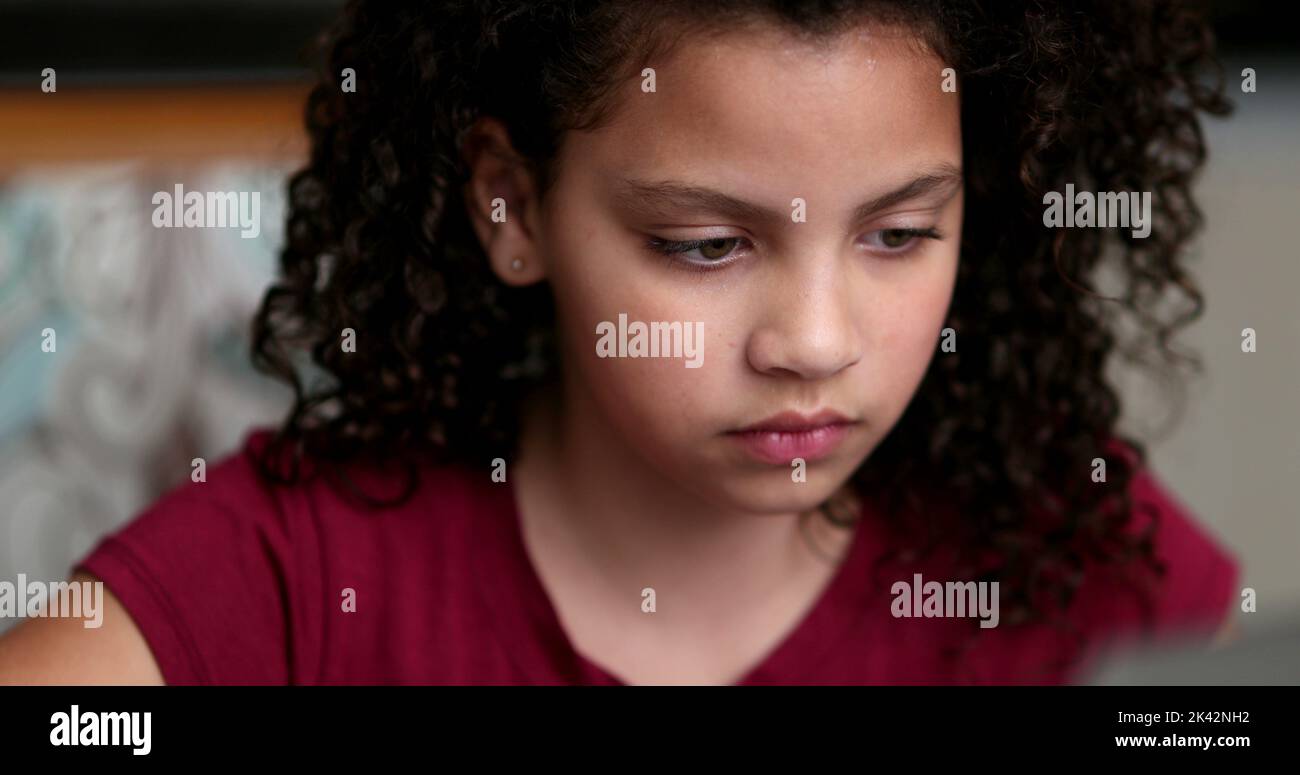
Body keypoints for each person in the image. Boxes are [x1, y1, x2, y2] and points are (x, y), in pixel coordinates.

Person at [0, 0, 1238, 685]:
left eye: (901, 233)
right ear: (516, 205)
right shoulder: (288, 582)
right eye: (705, 246)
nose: (814, 342)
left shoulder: (1081, 572)